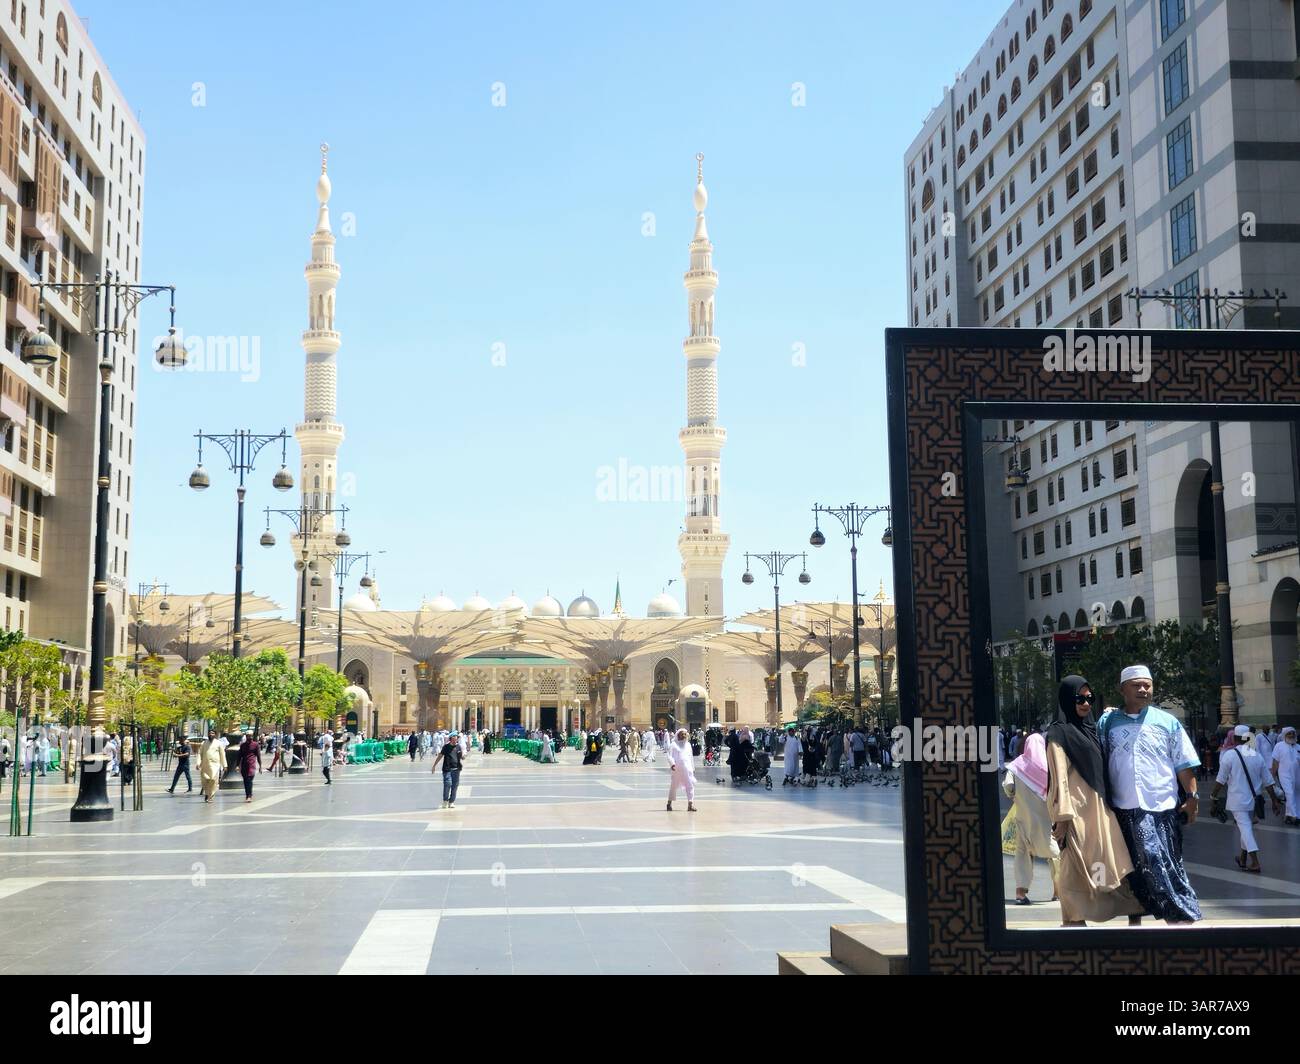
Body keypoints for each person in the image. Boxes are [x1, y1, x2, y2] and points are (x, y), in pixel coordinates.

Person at [1098, 664, 1202, 924]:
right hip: (1124, 808)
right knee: (1135, 867)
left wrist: (1192, 798)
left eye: (1147, 685)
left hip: (1163, 806)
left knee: (1166, 862)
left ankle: (1180, 913)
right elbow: (1097, 759)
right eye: (1136, 685)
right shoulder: (1107, 722)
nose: (1143, 689)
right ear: (1122, 689)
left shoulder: (1168, 722)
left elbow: (1183, 763)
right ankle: (1142, 920)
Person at [1045, 675, 1144, 926]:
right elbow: (1059, 778)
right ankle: (1073, 917)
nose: (1086, 703)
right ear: (1067, 699)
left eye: (1089, 698)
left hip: (1100, 809)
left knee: (1109, 863)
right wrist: (1063, 817)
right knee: (1075, 867)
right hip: (1077, 812)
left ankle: (1132, 910)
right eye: (1080, 698)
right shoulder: (1059, 733)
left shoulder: (1090, 731)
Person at [1213, 724, 1283, 873]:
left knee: (1245, 829)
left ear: (1235, 738)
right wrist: (1275, 801)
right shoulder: (1256, 756)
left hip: (1237, 800)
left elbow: (1220, 780)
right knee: (1247, 828)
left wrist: (1213, 796)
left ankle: (1255, 862)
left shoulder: (1229, 755)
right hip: (1254, 800)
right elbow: (1268, 781)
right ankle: (1243, 858)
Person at [1002, 732, 1060, 905]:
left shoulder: (1016, 766)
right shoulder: (1048, 768)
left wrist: (1015, 796)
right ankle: (1059, 891)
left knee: (1022, 855)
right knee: (1055, 854)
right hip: (1044, 821)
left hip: (1022, 819)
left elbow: (1008, 786)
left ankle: (1020, 893)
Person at [1270, 727, 1299, 824]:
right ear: (1284, 735)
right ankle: (1295, 816)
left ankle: (1288, 816)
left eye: (1292, 733)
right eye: (1289, 733)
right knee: (1290, 793)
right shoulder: (1279, 746)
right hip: (1284, 775)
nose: (1291, 735)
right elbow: (1275, 762)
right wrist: (1272, 776)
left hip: (1297, 775)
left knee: (1295, 794)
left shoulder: (1298, 747)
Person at [666, 728, 697, 812]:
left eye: (685, 734)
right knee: (674, 786)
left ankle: (690, 805)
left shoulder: (688, 745)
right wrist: (672, 764)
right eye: (682, 734)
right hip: (677, 769)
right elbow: (669, 756)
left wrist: (693, 768)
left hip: (687, 769)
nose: (683, 736)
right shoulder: (673, 744)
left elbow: (690, 758)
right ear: (678, 735)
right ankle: (669, 803)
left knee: (690, 785)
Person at [432, 730, 464, 809]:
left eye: (457, 737)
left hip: (456, 769)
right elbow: (440, 756)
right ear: (451, 738)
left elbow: (460, 756)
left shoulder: (458, 746)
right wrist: (434, 766)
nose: (456, 738)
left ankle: (451, 801)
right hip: (447, 769)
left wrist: (463, 756)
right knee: (448, 784)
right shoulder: (446, 747)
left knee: (455, 786)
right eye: (455, 736)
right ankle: (445, 800)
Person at [199, 731, 223, 803]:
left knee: (213, 779)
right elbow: (200, 754)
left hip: (215, 765)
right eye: (209, 733)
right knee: (206, 780)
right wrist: (198, 763)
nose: (210, 734)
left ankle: (211, 796)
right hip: (205, 765)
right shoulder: (204, 743)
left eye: (212, 733)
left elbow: (222, 755)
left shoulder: (219, 743)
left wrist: (224, 765)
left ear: (215, 734)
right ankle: (207, 794)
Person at [238, 732, 261, 803]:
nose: (249, 737)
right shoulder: (243, 745)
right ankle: (247, 795)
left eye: (251, 736)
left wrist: (260, 766)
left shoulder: (256, 745)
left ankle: (249, 796)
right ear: (246, 736)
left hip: (252, 765)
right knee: (245, 781)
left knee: (249, 780)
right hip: (244, 765)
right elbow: (239, 756)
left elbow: (258, 756)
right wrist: (237, 765)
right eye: (248, 736)